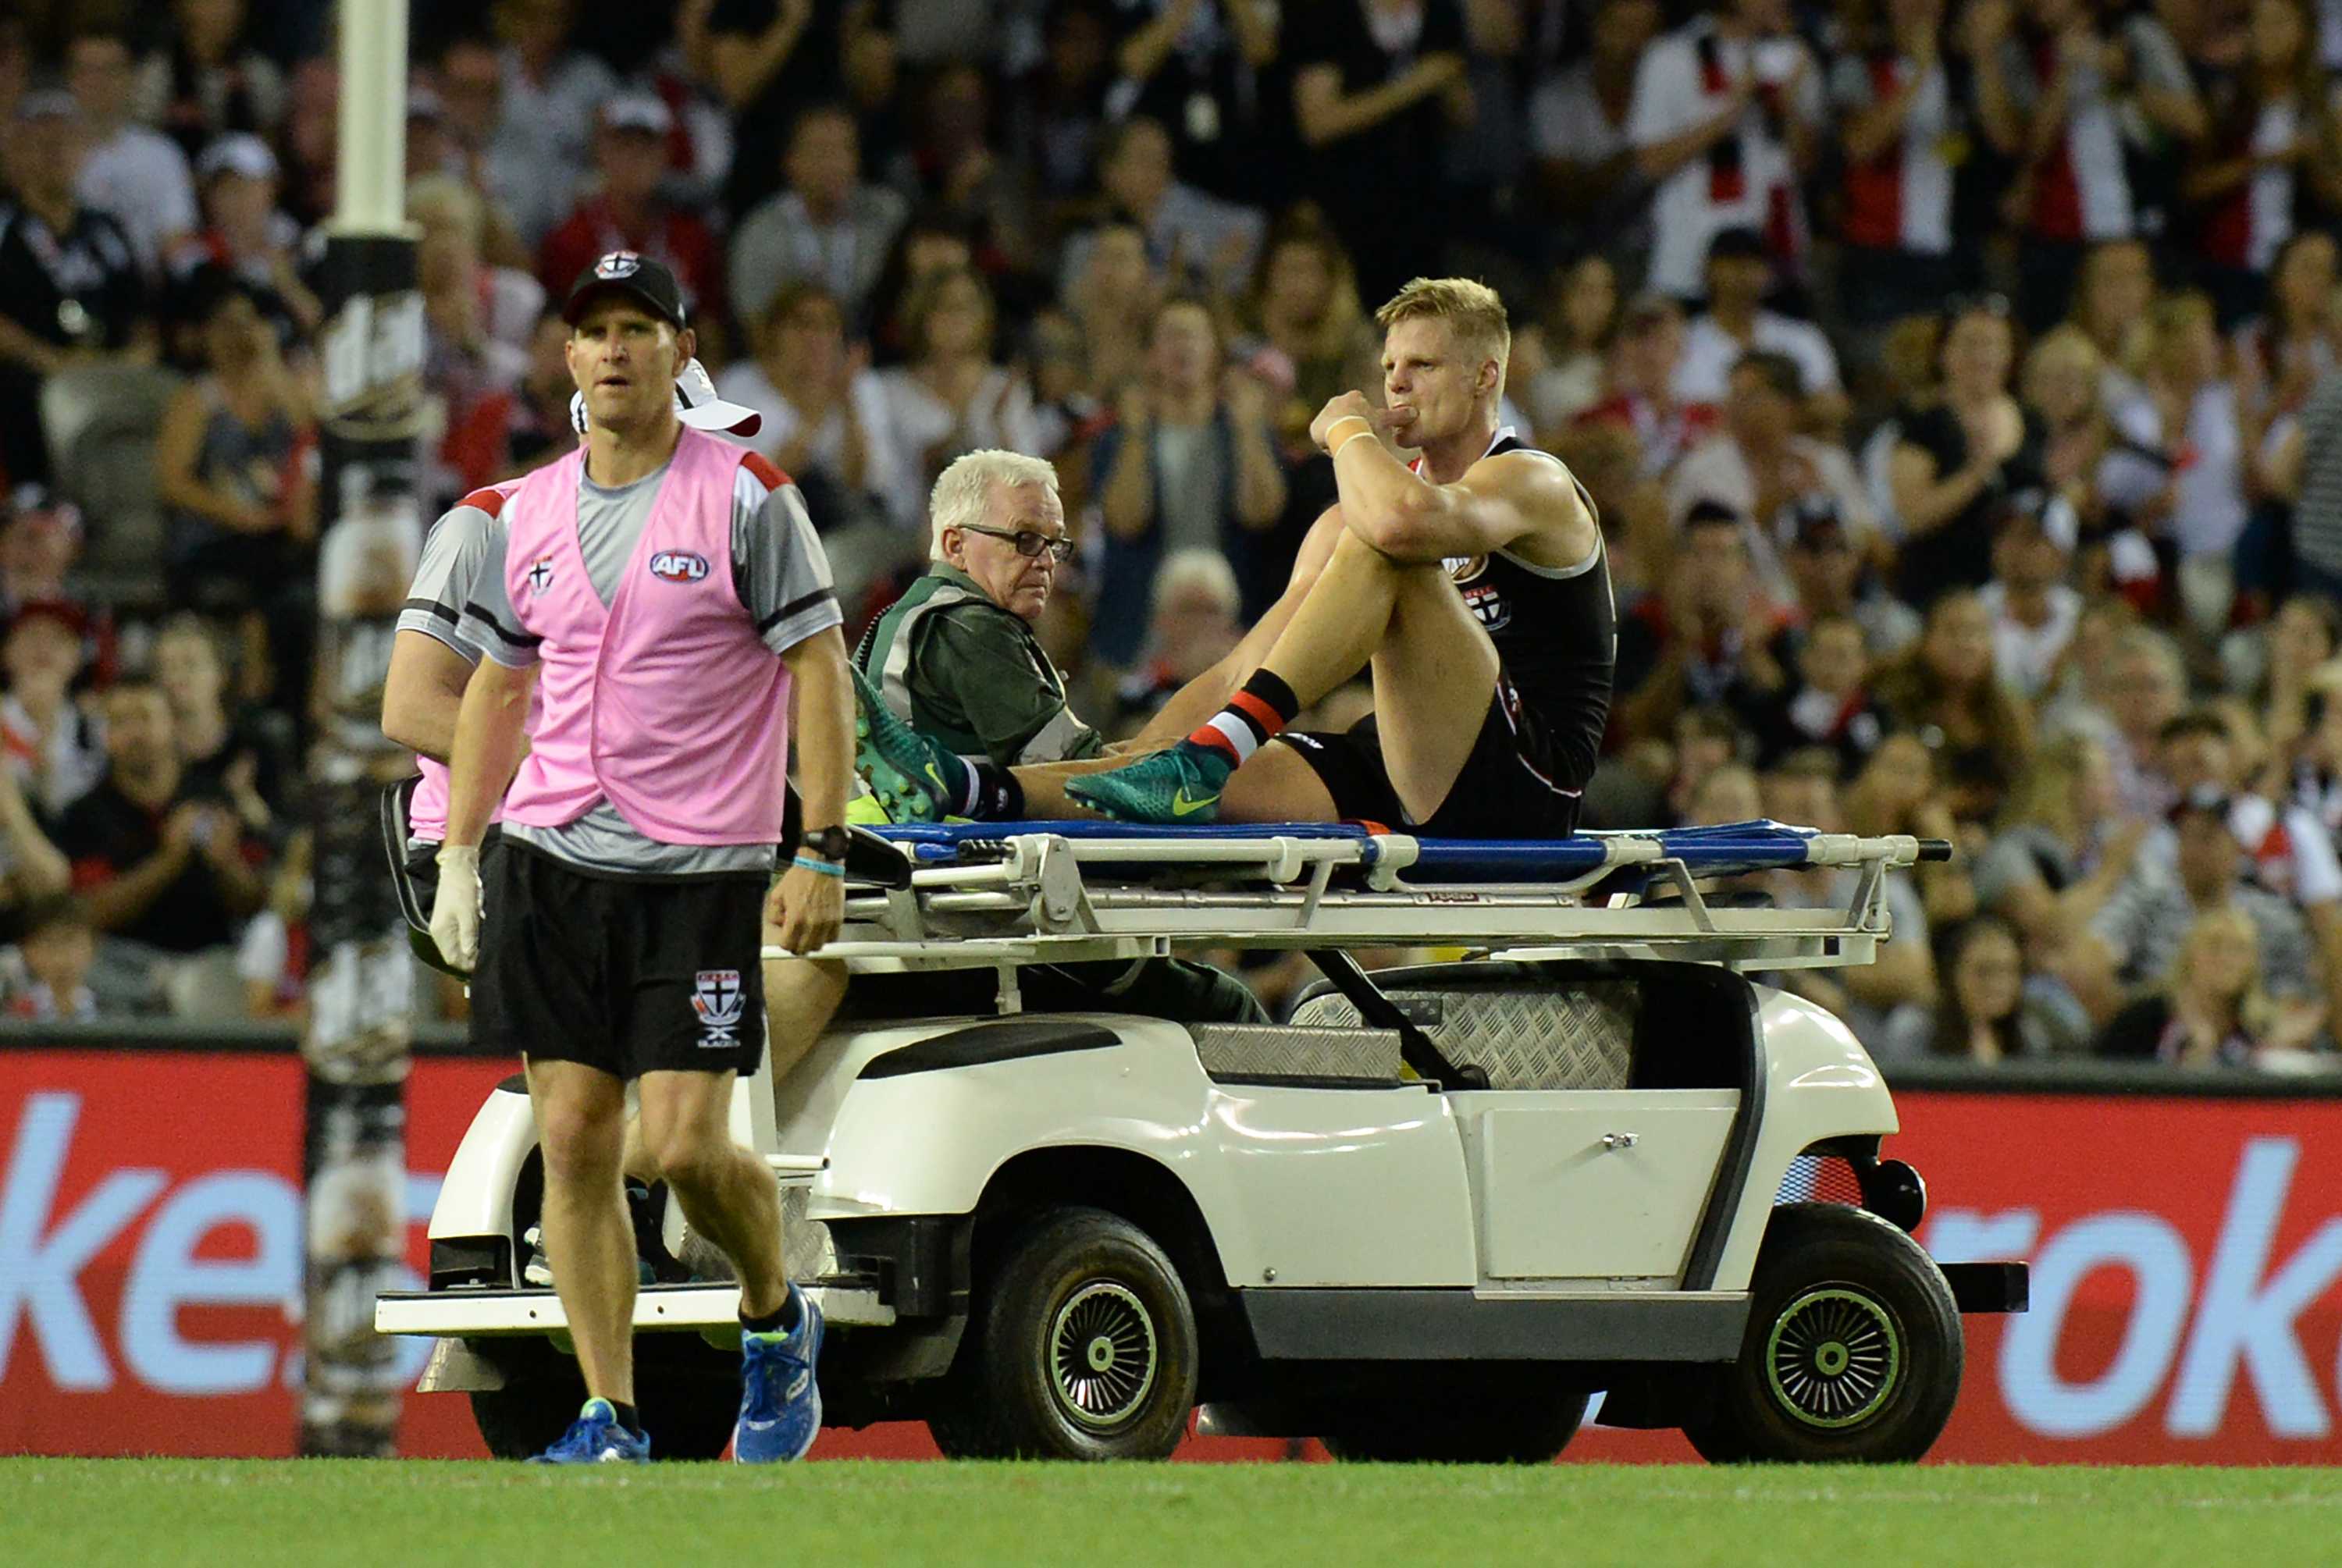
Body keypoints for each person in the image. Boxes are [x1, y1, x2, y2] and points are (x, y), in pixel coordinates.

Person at [429, 251, 849, 1465]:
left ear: (680, 348)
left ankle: (775, 1313)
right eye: (593, 331)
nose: (613, 350)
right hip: (553, 859)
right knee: (571, 1137)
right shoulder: (532, 511)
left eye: (637, 328)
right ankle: (609, 1414)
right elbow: (501, 686)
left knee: (679, 1146)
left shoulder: (748, 495)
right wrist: (463, 851)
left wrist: (817, 845)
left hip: (699, 872)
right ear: (566, 358)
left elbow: (816, 669)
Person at [860, 276, 1614, 841]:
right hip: (1408, 759)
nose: (1395, 385)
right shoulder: (1369, 519)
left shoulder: (1533, 480)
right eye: (1389, 368)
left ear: (1486, 376)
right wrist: (1140, 753)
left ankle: (1209, 752)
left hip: (1526, 785)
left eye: (1421, 366)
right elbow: (1236, 670)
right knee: (1155, 783)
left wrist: (1349, 431)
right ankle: (968, 789)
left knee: (1377, 540)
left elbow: (1401, 520)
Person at [856, 450, 1102, 768]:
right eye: (1025, 539)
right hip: (950, 820)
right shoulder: (969, 626)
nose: (1047, 561)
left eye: (1054, 544)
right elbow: (1080, 773)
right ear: (955, 546)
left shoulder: (918, 613)